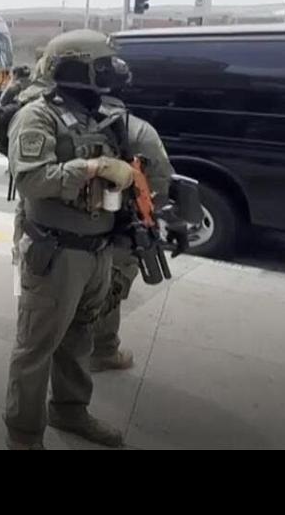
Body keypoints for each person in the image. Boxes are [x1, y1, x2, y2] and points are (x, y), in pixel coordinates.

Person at [3, 29, 137, 449]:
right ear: (77, 68)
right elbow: (31, 178)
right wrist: (92, 168)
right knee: (36, 348)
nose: (113, 72)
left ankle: (70, 410)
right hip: (55, 253)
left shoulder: (101, 116)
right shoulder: (37, 116)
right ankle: (24, 435)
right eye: (103, 65)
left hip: (97, 251)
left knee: (79, 340)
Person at [93, 63, 173, 372]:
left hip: (67, 227)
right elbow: (161, 183)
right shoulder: (139, 130)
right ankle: (102, 351)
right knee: (110, 289)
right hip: (120, 228)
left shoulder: (64, 120)